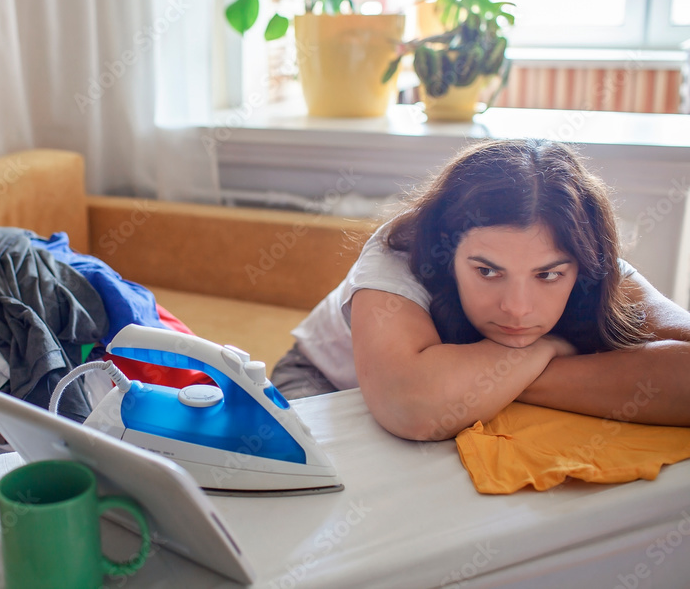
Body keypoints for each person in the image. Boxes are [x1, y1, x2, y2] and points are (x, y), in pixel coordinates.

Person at [270, 139, 690, 440]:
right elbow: (409, 406)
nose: (517, 308)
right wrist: (546, 348)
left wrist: (493, 380)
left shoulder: (588, 258)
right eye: (488, 271)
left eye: (547, 275)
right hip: (324, 379)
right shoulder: (400, 251)